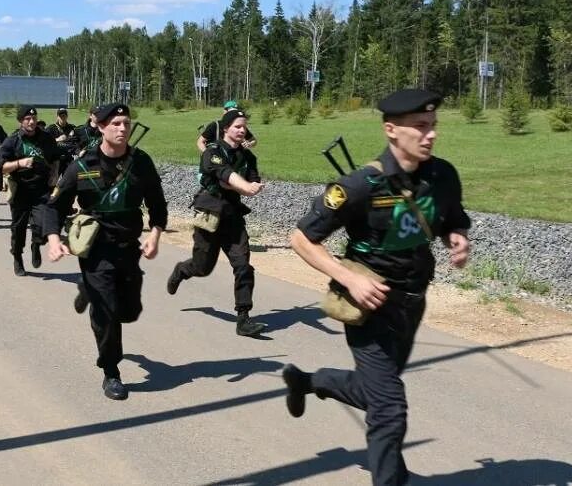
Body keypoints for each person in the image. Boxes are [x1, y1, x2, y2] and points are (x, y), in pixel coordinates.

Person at [283, 89, 471, 486]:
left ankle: (307, 381)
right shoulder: (360, 184)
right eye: (420, 127)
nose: (430, 135)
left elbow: (453, 218)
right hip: (368, 307)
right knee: (389, 409)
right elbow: (301, 238)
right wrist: (350, 277)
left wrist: (456, 237)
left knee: (375, 393)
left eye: (433, 126)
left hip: (412, 302)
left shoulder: (443, 176)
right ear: (391, 130)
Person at [42, 103, 168, 400]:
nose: (122, 128)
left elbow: (157, 203)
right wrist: (52, 240)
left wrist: (156, 235)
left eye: (126, 123)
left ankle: (86, 289)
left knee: (129, 311)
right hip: (96, 249)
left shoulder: (141, 162)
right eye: (115, 124)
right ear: (99, 126)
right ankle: (111, 371)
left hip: (129, 246)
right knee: (107, 312)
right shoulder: (82, 164)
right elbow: (54, 206)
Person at [167, 109, 267, 336]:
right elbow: (224, 176)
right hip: (210, 213)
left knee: (243, 266)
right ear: (226, 129)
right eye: (237, 127)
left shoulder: (248, 157)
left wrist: (254, 186)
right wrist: (245, 187)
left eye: (244, 127)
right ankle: (181, 271)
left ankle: (243, 318)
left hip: (233, 216)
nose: (242, 131)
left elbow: (253, 178)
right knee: (202, 267)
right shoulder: (213, 152)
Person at [0, 105, 61, 276]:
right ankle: (17, 257)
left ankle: (36, 244)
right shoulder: (12, 141)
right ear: (20, 121)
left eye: (33, 118)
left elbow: (55, 158)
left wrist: (54, 175)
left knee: (42, 226)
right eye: (27, 119)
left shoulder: (46, 138)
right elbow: (1, 167)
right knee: (18, 229)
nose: (31, 122)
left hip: (41, 190)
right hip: (21, 190)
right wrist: (19, 163)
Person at [46, 107, 76, 172]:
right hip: (56, 159)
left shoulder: (72, 127)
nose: (63, 117)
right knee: (54, 179)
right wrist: (57, 139)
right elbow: (45, 142)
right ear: (57, 117)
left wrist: (70, 136)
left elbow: (77, 141)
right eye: (60, 115)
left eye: (64, 115)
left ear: (67, 116)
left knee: (69, 180)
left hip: (69, 157)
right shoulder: (51, 128)